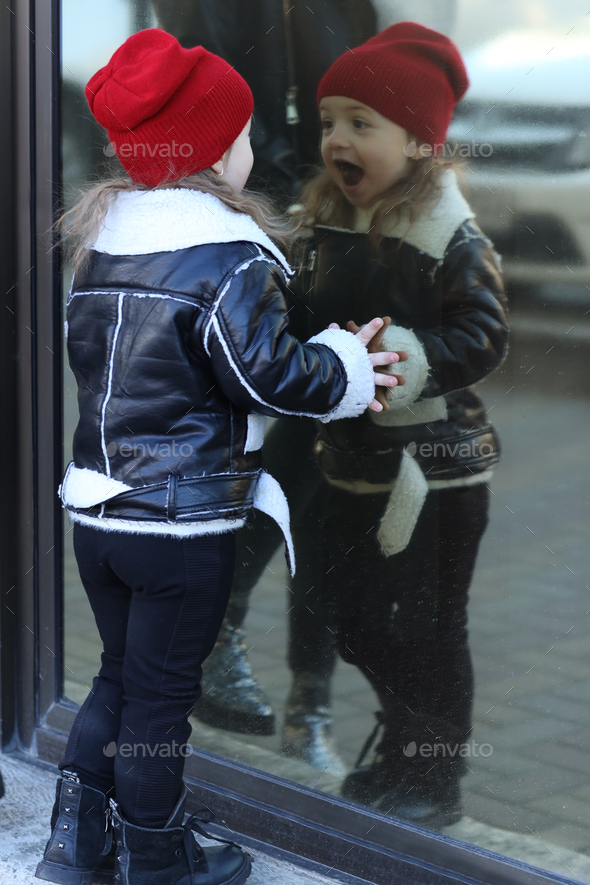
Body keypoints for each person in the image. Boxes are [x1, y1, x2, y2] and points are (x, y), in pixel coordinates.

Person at [35, 28, 406, 885]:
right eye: (239, 138)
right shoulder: (224, 255)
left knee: (119, 680)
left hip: (101, 514)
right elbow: (267, 376)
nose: (249, 151)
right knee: (162, 702)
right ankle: (160, 857)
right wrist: (347, 368)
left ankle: (77, 841)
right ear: (210, 155)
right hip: (180, 524)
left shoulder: (105, 244)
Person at [286, 22, 508, 828]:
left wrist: (413, 360)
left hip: (438, 471)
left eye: (360, 123)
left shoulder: (449, 233)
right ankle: (408, 736)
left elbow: (485, 335)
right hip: (351, 463)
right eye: (328, 121)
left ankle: (432, 776)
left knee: (430, 626)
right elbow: (307, 313)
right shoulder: (325, 220)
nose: (336, 139)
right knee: (339, 605)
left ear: (419, 142)